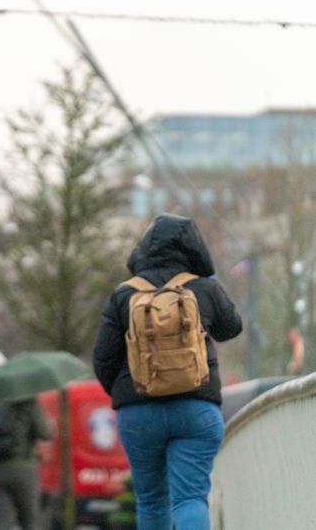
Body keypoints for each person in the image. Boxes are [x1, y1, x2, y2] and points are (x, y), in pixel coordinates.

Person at [92, 214, 243, 530]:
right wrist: (209, 280)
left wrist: (129, 396)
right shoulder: (202, 288)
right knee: (190, 498)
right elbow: (232, 328)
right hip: (196, 410)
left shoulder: (123, 295)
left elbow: (103, 361)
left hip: (139, 414)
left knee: (151, 500)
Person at [0, 397, 51, 530]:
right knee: (30, 522)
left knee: (0, 523)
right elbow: (45, 433)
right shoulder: (27, 400)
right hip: (24, 468)